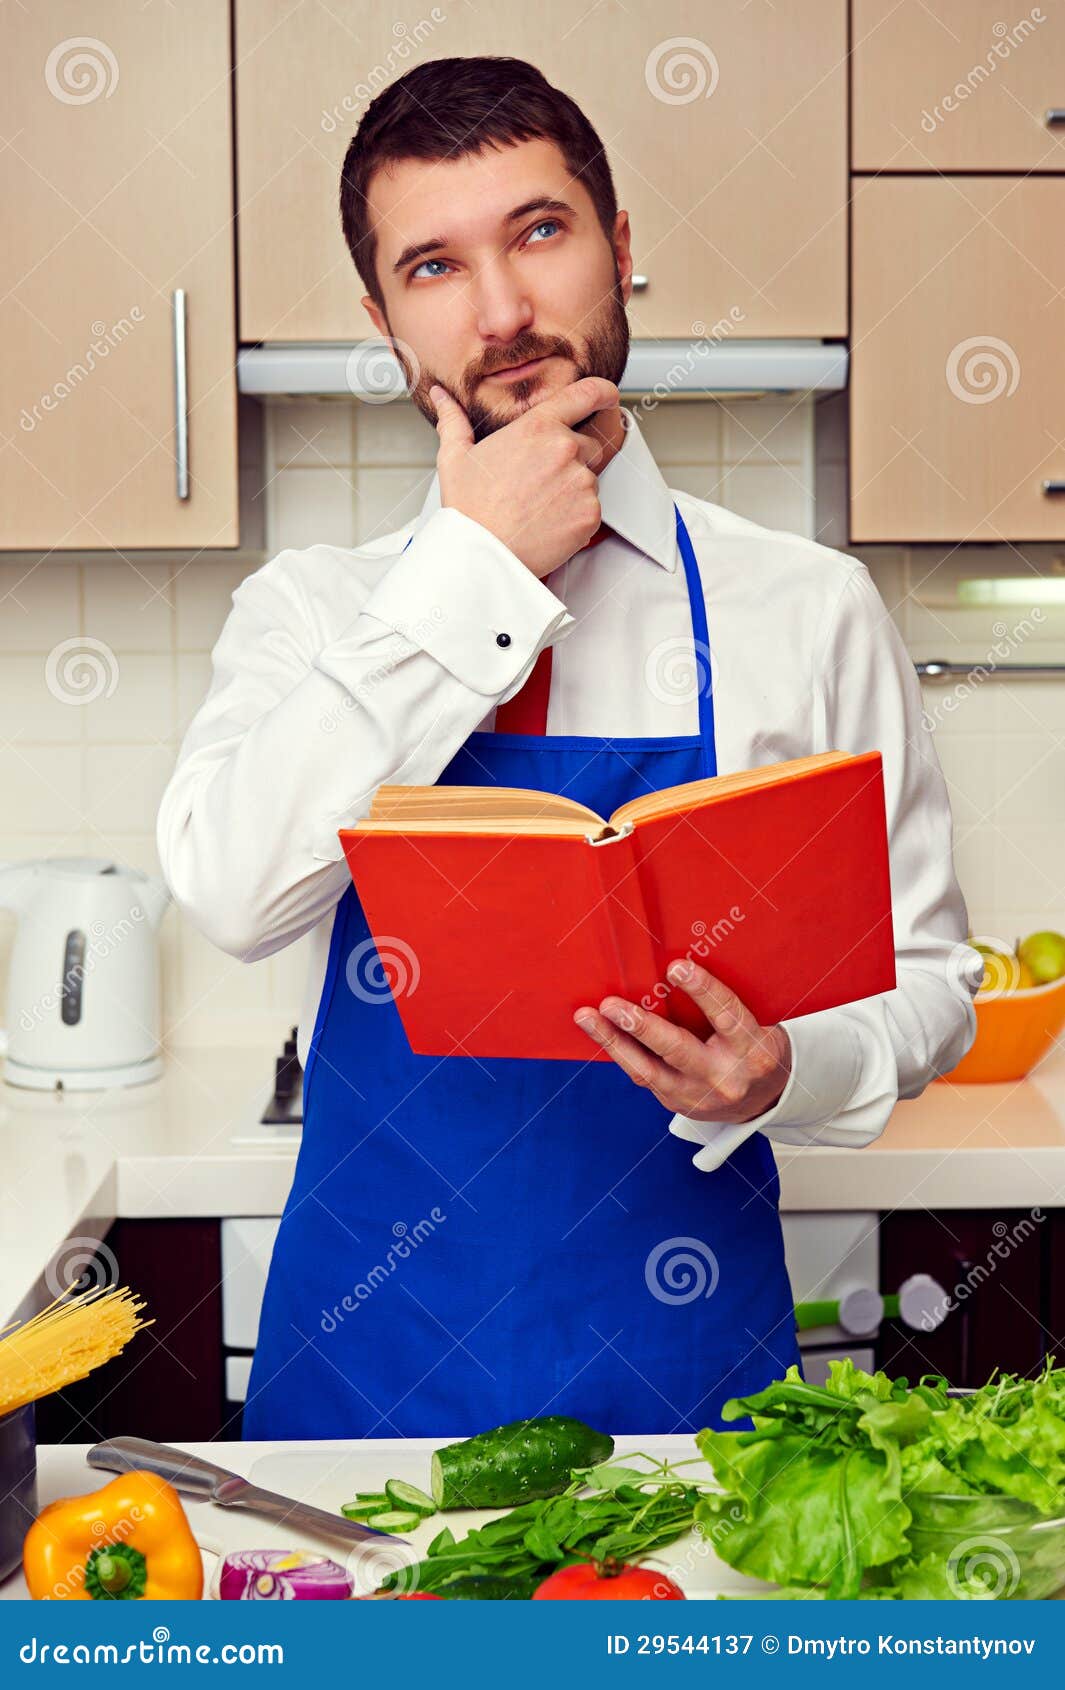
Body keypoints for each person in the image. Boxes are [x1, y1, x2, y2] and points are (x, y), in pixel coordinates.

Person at [156, 56, 980, 1440]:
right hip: (367, 1392)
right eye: (433, 264)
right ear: (383, 318)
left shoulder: (806, 605)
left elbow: (933, 981)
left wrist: (788, 1069)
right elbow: (234, 892)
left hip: (689, 1396)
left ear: (620, 250)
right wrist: (474, 573)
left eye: (539, 232)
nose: (499, 311)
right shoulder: (313, 612)